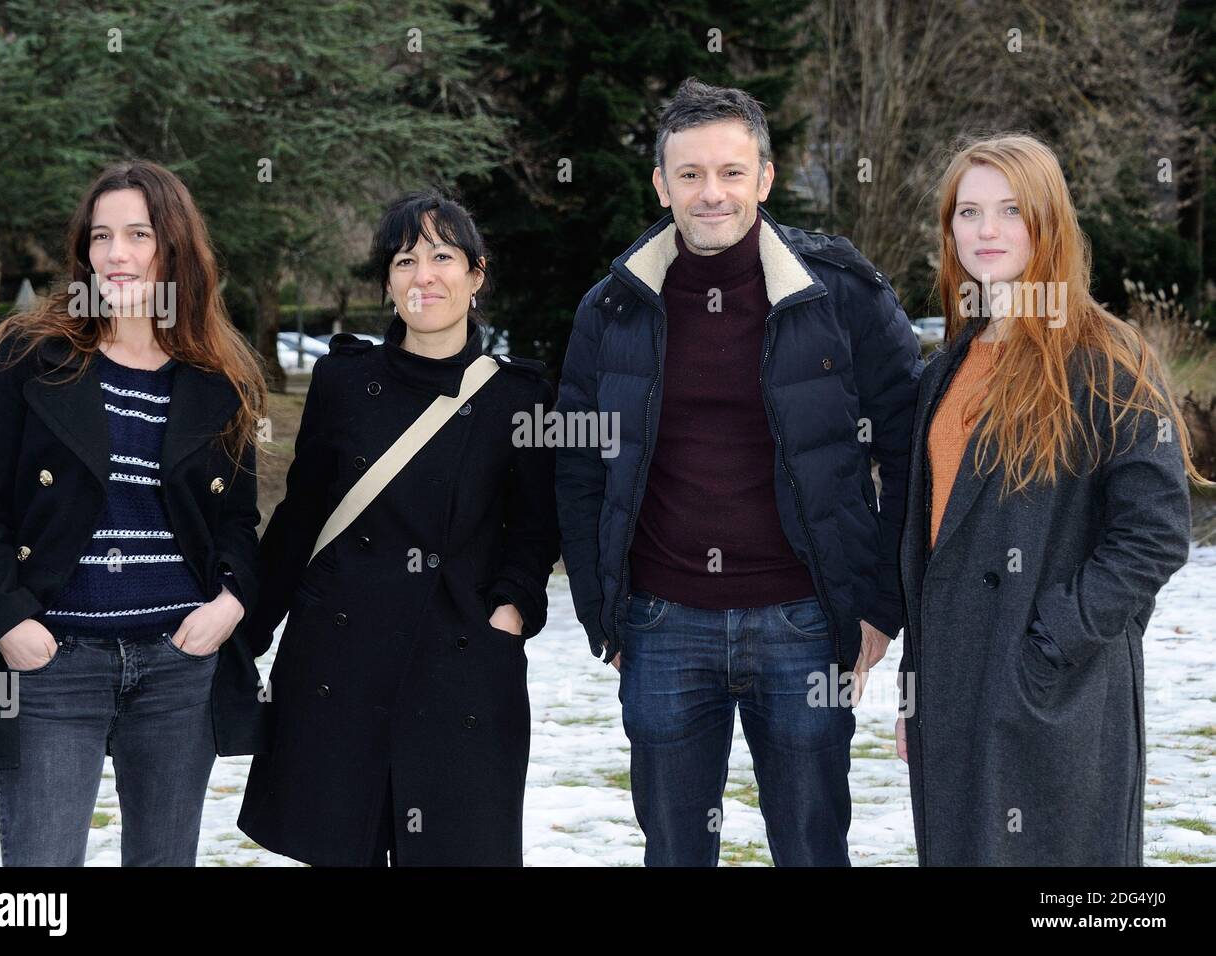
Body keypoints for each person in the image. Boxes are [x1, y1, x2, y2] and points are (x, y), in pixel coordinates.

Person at [555, 77, 922, 866]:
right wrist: (603, 614)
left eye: (730, 172)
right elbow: (578, 467)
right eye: (689, 174)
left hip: (807, 622)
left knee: (812, 848)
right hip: (660, 626)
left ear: (764, 176)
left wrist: (880, 608)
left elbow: (910, 454)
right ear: (661, 184)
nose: (711, 193)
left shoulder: (844, 295)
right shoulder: (611, 309)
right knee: (674, 852)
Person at [0, 159, 268, 866]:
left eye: (137, 234)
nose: (114, 254)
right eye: (99, 237)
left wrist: (231, 603)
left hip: (178, 665)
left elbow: (238, 522)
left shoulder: (221, 379)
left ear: (175, 246)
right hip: (52, 664)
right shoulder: (31, 358)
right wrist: (8, 619)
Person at [896, 133, 1205, 865]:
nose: (987, 230)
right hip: (950, 691)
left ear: (1048, 222)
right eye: (968, 212)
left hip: (1056, 692)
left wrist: (1048, 646)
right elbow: (931, 550)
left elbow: (1155, 535)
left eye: (1010, 210)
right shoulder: (945, 370)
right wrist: (916, 685)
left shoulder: (1107, 360)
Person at [237, 190, 559, 866]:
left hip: (461, 659)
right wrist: (249, 632)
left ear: (476, 274)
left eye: (443, 256)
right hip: (338, 659)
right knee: (341, 844)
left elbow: (534, 526)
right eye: (406, 260)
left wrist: (512, 609)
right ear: (387, 282)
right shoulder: (343, 380)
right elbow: (302, 517)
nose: (424, 276)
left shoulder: (519, 395)